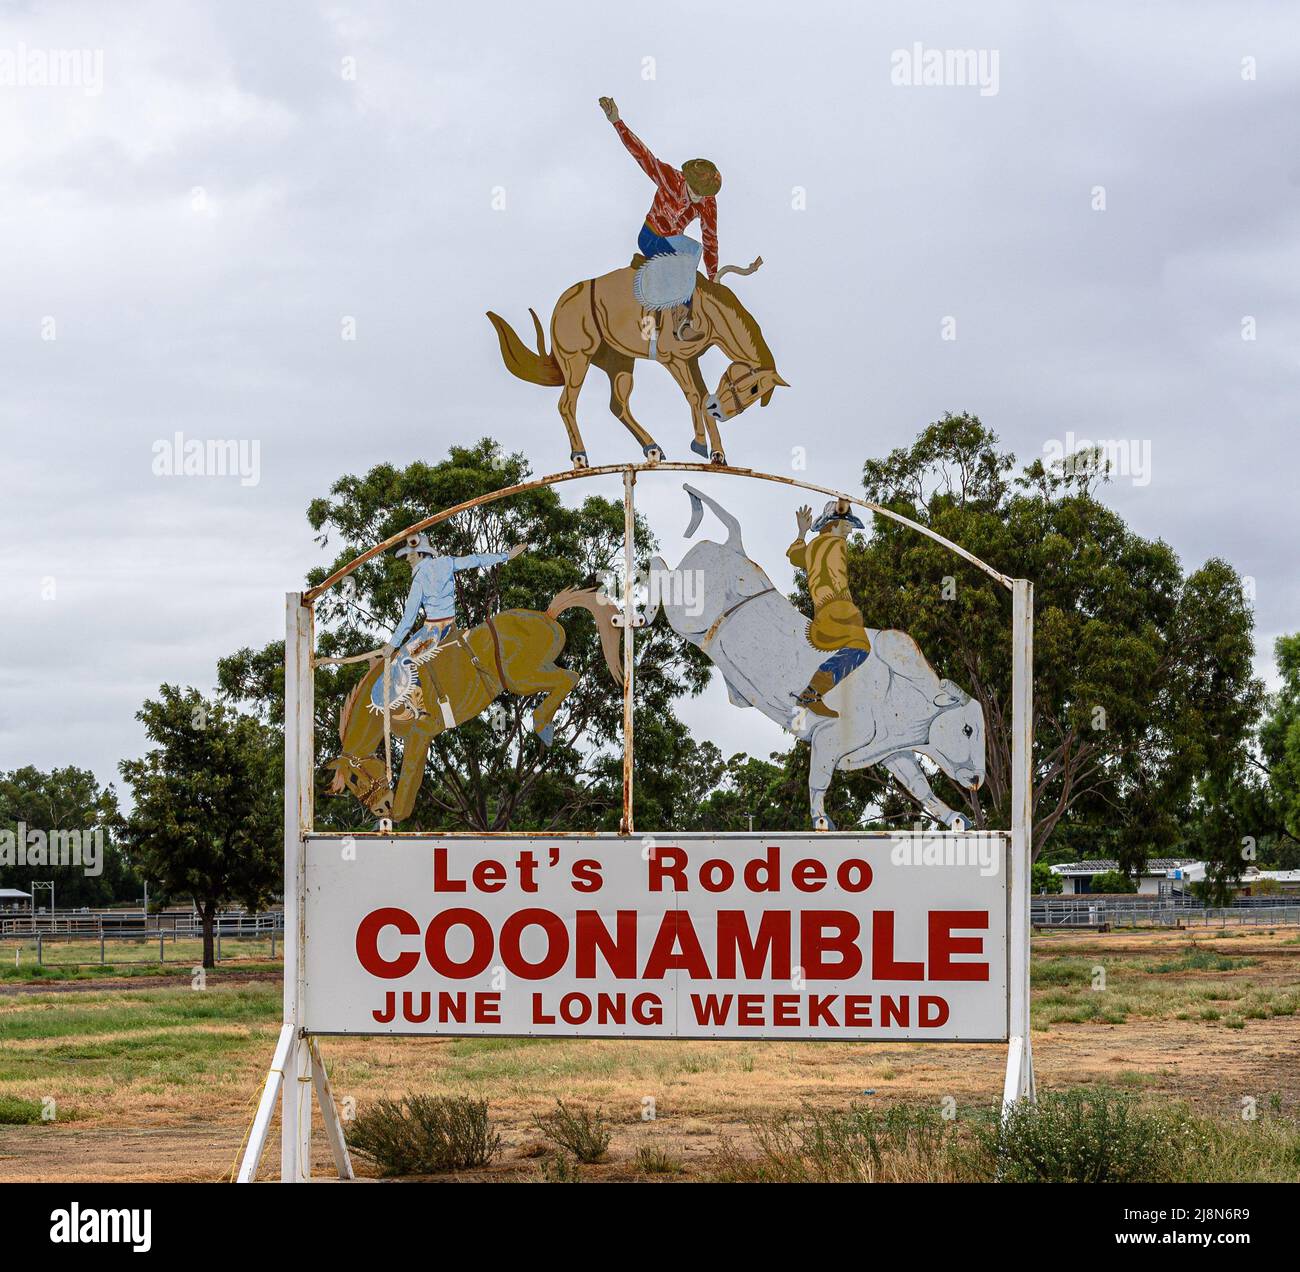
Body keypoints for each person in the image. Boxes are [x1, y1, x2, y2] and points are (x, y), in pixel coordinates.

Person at [599, 95, 720, 340]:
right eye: (696, 193)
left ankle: (683, 320)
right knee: (683, 260)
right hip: (651, 234)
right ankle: (666, 321)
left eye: (703, 196)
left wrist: (713, 275)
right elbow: (643, 155)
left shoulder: (707, 202)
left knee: (694, 249)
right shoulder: (670, 178)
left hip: (673, 238)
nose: (698, 200)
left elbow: (710, 238)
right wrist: (616, 122)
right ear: (688, 181)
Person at [371, 532, 527, 719]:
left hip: (434, 632)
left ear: (420, 554)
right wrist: (506, 556)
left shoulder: (419, 580)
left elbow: (408, 618)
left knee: (404, 657)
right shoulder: (446, 562)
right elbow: (475, 560)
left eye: (410, 555)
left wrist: (392, 644)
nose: (408, 560)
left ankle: (416, 707)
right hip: (448, 624)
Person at [788, 501, 871, 719]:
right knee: (861, 648)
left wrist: (802, 532)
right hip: (837, 609)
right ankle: (812, 692)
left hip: (822, 610)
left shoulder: (813, 546)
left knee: (860, 647)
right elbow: (837, 578)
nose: (850, 530)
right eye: (847, 525)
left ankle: (813, 691)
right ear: (834, 524)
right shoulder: (837, 545)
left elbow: (795, 556)